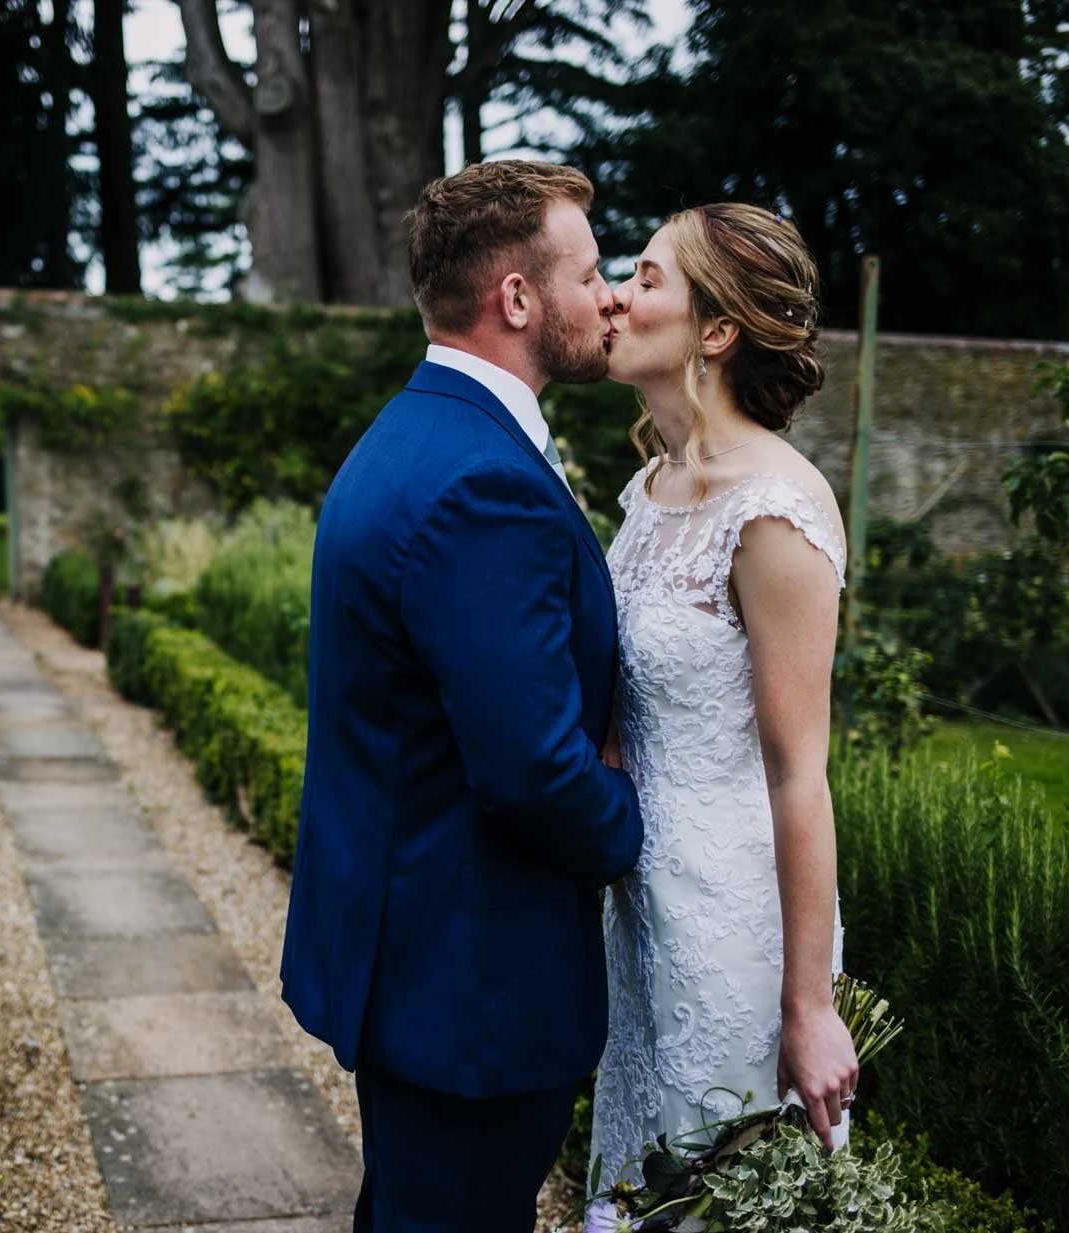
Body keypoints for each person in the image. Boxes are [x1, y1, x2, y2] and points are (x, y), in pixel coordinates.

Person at [278, 159, 644, 1232]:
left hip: (410, 959)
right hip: (470, 988)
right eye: (585, 274)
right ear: (517, 299)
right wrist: (637, 828)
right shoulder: (481, 484)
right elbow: (531, 770)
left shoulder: (407, 437)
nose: (605, 296)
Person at [589, 202, 860, 1187]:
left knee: (717, 1191)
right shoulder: (650, 489)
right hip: (643, 918)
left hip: (728, 929)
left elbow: (798, 774)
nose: (615, 292)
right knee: (638, 1186)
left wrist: (808, 1005)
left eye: (647, 277)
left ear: (715, 330)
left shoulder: (773, 510)